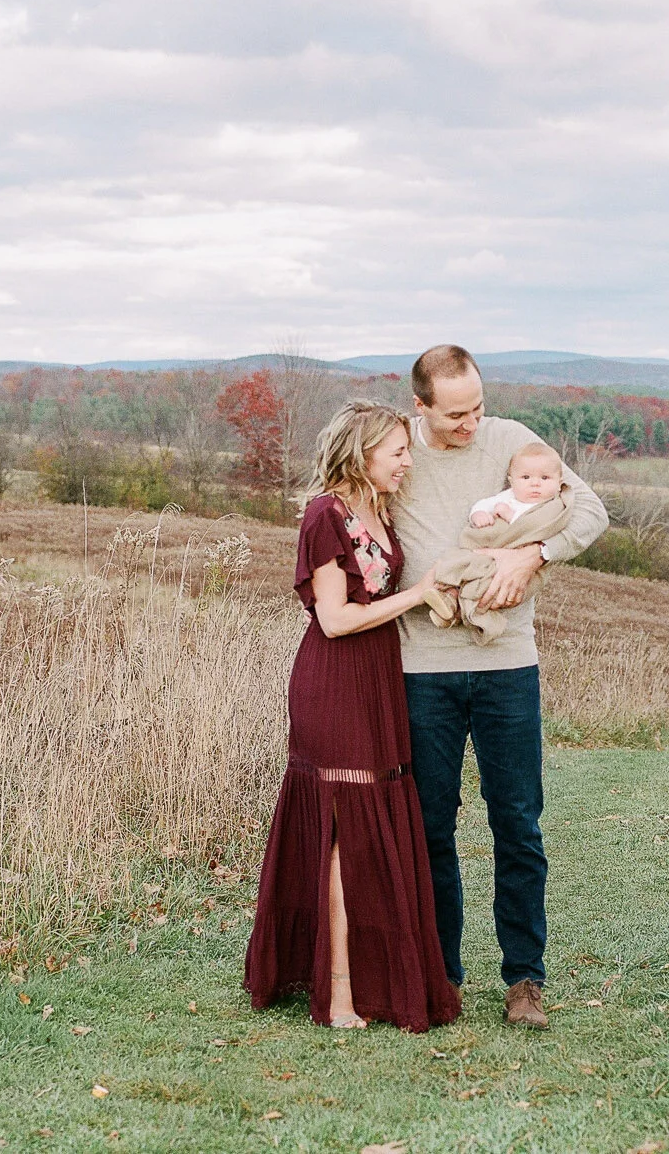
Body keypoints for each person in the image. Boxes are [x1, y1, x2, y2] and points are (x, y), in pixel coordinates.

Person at [393, 346, 608, 1028]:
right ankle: (441, 976)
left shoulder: (514, 442)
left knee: (516, 821)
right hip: (421, 668)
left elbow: (590, 510)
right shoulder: (398, 454)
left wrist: (532, 552)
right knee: (430, 827)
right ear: (420, 406)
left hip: (507, 664)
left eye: (478, 406)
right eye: (456, 413)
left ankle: (524, 981)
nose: (472, 423)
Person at [243, 401, 461, 1033]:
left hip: (378, 682)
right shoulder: (324, 516)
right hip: (334, 683)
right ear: (362, 451)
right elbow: (334, 620)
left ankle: (377, 980)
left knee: (373, 823)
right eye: (397, 451)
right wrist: (417, 596)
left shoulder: (377, 511)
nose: (407, 461)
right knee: (341, 828)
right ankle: (337, 993)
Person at [425, 441, 575, 645]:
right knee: (465, 562)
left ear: (560, 482)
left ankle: (466, 612)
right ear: (511, 481)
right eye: (526, 477)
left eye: (545, 478)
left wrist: (508, 515)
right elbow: (486, 504)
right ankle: (450, 601)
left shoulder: (553, 506)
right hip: (488, 547)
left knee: (492, 583)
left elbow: (533, 527)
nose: (535, 483)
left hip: (517, 558)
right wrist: (478, 514)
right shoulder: (509, 496)